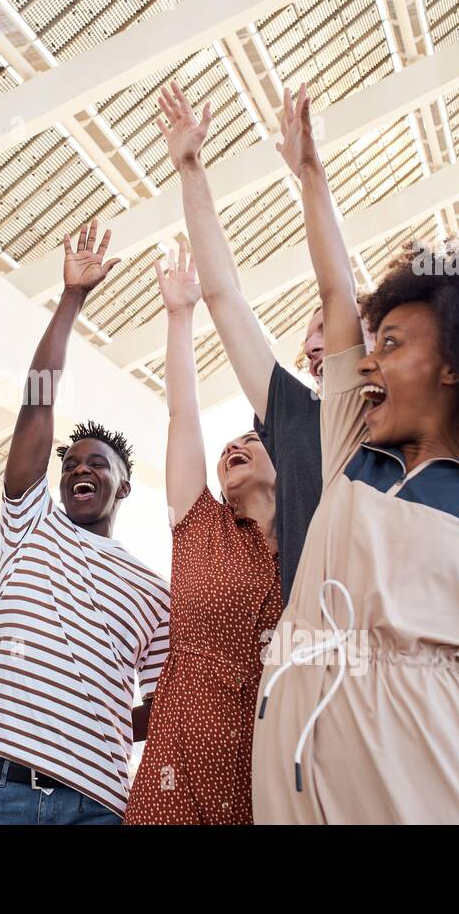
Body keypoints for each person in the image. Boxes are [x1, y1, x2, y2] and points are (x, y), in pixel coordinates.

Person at [159, 78, 459, 824]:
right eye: (365, 345)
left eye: (392, 345)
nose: (364, 360)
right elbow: (320, 291)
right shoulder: (351, 453)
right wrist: (287, 173)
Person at [0, 220, 170, 826]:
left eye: (97, 464)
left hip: (97, 806)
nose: (79, 469)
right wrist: (71, 298)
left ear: (124, 484)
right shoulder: (31, 524)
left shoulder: (156, 591)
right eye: (69, 463)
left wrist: (100, 723)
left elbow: (168, 698)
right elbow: (37, 403)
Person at [123, 242, 281, 825]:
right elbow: (183, 414)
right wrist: (180, 314)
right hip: (174, 782)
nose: (232, 447)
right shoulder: (199, 527)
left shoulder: (319, 544)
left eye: (252, 441)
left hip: (267, 788)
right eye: (227, 447)